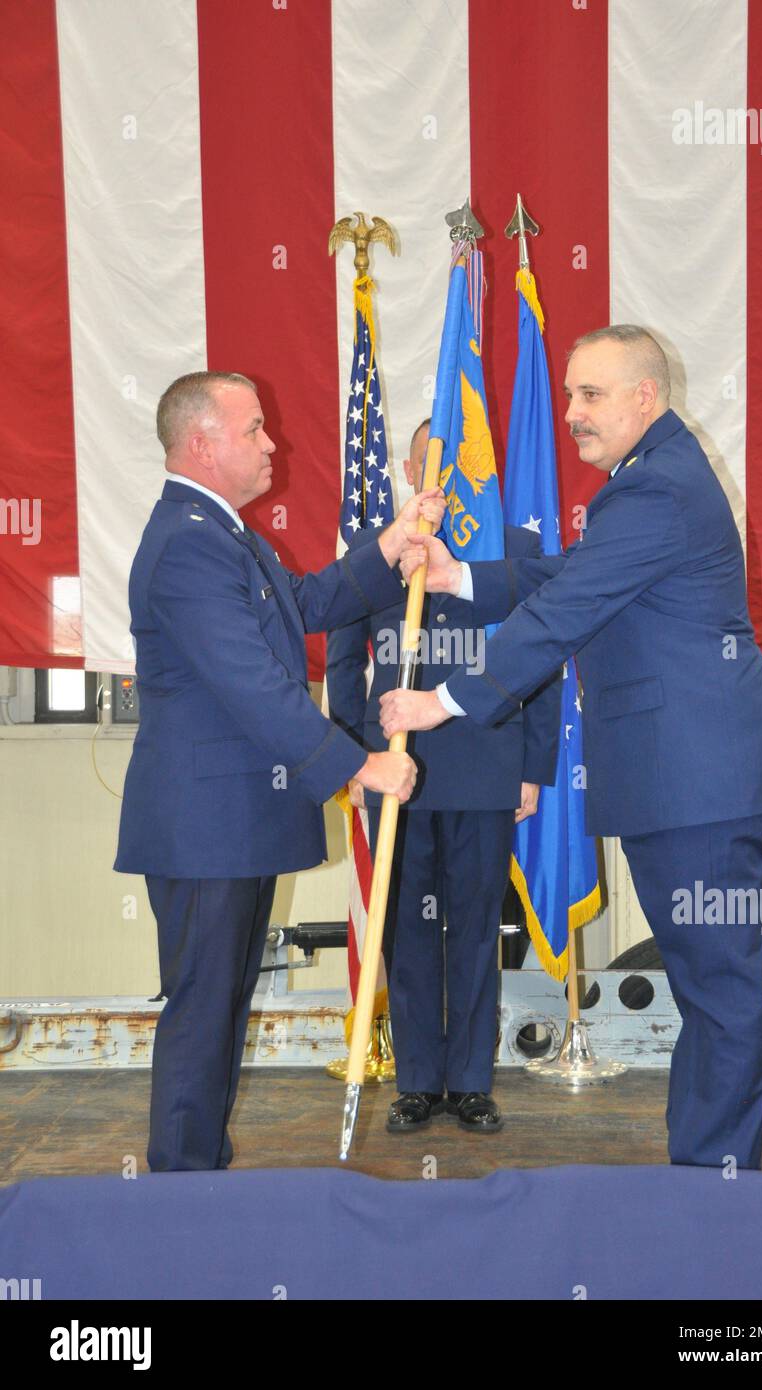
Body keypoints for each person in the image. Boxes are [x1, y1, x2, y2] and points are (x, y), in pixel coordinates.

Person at [380, 327, 762, 1170]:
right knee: (707, 989)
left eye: (591, 395)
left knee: (717, 993)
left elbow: (562, 613)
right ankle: (708, 1173)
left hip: (699, 779)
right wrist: (462, 576)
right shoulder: (646, 482)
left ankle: (719, 1195)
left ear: (645, 396)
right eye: (568, 394)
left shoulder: (654, 490)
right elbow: (573, 576)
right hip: (686, 776)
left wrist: (445, 700)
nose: (571, 413)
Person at [114, 370, 444, 1172]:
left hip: (227, 822)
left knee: (219, 1004)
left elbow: (303, 601)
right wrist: (357, 764)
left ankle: (197, 1170)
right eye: (254, 429)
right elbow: (250, 684)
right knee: (203, 1008)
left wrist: (390, 546)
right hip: (206, 825)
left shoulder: (220, 532)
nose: (272, 443)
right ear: (202, 443)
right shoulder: (192, 541)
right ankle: (183, 1188)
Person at [327, 419, 560, 1132]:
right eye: (429, 458)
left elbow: (542, 660)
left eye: (455, 460)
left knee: (471, 927)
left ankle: (469, 1082)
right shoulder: (375, 553)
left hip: (487, 760)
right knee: (407, 929)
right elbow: (341, 659)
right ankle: (417, 1081)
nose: (442, 472)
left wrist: (532, 766)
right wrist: (348, 755)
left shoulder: (511, 552)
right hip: (396, 768)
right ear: (404, 466)